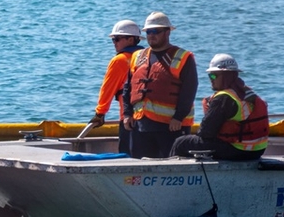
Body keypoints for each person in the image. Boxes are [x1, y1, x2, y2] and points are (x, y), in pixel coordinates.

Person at [123, 12, 198, 158]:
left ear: (167, 32)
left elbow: (189, 90)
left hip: (171, 127)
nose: (152, 35)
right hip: (141, 125)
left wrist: (178, 117)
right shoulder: (138, 57)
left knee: (172, 164)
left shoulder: (182, 57)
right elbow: (128, 87)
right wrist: (127, 114)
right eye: (149, 31)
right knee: (140, 166)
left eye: (156, 31)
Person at [170, 54, 268, 160]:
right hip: (256, 151)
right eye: (210, 76)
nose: (211, 79)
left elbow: (205, 132)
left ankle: (172, 174)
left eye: (214, 76)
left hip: (237, 150)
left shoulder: (223, 98)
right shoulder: (246, 93)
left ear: (227, 76)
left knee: (181, 142)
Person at [88, 20, 143, 153]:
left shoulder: (120, 60)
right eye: (113, 39)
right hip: (149, 119)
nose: (114, 43)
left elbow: (107, 89)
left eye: (117, 39)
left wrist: (100, 113)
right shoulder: (147, 56)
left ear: (130, 39)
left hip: (128, 119)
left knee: (128, 156)